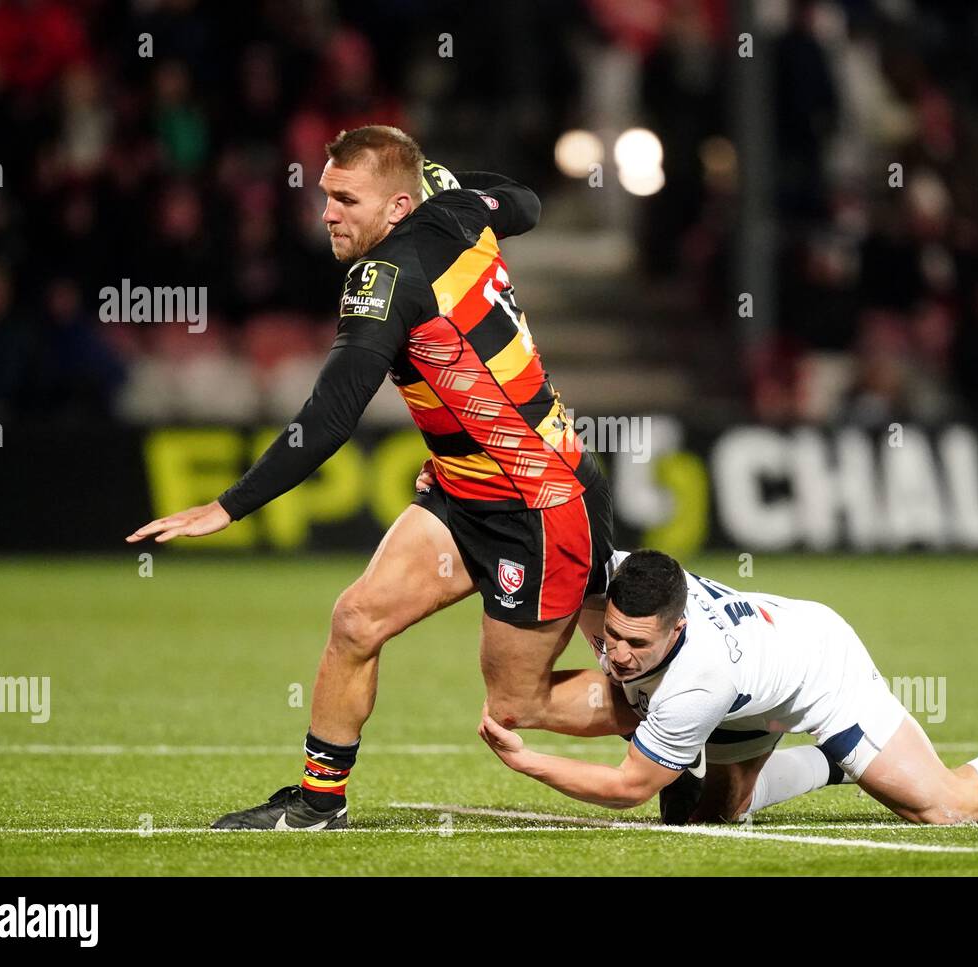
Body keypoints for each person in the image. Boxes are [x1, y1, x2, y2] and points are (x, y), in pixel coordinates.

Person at [128, 125, 638, 830]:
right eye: (325, 195)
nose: (327, 213)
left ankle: (690, 724)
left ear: (397, 206)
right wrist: (447, 181)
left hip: (541, 502)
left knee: (516, 706)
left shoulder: (383, 277)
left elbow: (330, 416)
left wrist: (229, 505)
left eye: (346, 199)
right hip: (469, 489)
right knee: (356, 620)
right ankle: (317, 803)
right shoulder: (456, 211)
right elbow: (523, 203)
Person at [479, 550, 978, 826]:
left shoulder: (696, 677)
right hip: (752, 685)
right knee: (699, 821)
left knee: (944, 807)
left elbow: (626, 787)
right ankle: (823, 764)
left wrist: (526, 761)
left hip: (816, 670)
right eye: (612, 636)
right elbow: (550, 536)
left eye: (637, 644)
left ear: (676, 630)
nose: (617, 653)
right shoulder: (630, 578)